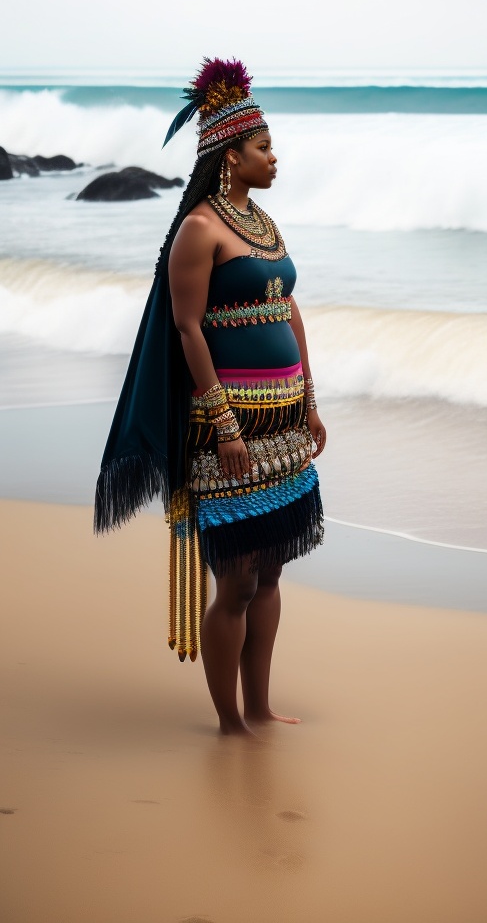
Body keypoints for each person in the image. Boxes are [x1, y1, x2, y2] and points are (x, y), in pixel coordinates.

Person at [95, 58, 325, 735]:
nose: (274, 158)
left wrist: (310, 400)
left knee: (272, 572)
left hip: (284, 423)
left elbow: (288, 308)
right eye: (263, 148)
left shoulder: (264, 224)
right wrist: (224, 423)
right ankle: (230, 721)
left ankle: (260, 706)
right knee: (238, 579)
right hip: (229, 429)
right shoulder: (199, 230)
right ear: (231, 156)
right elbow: (188, 327)